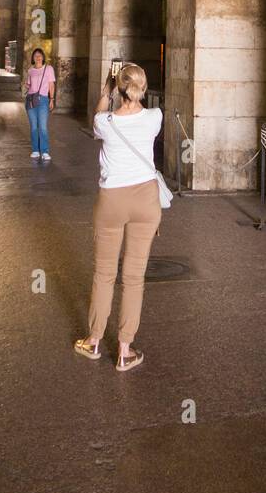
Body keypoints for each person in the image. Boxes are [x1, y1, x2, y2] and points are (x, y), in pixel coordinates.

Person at [74, 63, 163, 372]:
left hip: (111, 200)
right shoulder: (155, 118)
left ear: (118, 86)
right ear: (142, 86)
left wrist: (105, 92)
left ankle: (94, 340)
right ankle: (125, 350)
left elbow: (95, 118)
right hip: (145, 201)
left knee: (104, 275)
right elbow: (143, 116)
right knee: (134, 278)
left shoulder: (106, 121)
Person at [24, 48, 55, 162]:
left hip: (43, 100)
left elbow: (51, 85)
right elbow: (28, 84)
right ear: (33, 58)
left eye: (40, 55)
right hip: (31, 100)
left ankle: (45, 151)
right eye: (35, 55)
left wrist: (51, 99)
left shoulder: (49, 69)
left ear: (43, 57)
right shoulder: (30, 70)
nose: (38, 57)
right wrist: (27, 86)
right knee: (33, 127)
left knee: (42, 127)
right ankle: (36, 150)